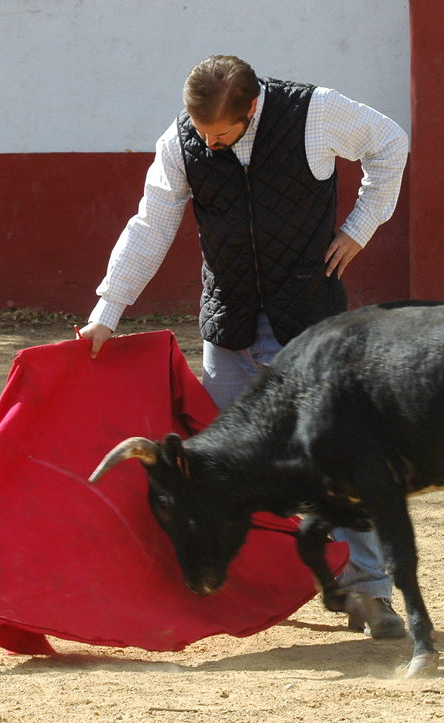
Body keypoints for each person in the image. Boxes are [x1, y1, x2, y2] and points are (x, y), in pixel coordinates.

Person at [79, 55, 409, 638]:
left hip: (309, 329)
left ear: (251, 108)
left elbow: (389, 141)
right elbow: (151, 224)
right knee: (220, 471)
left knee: (343, 462)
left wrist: (360, 227)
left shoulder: (316, 112)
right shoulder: (182, 141)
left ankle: (370, 593)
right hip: (228, 330)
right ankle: (252, 587)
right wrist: (107, 310)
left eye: (220, 133)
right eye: (200, 130)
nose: (208, 142)